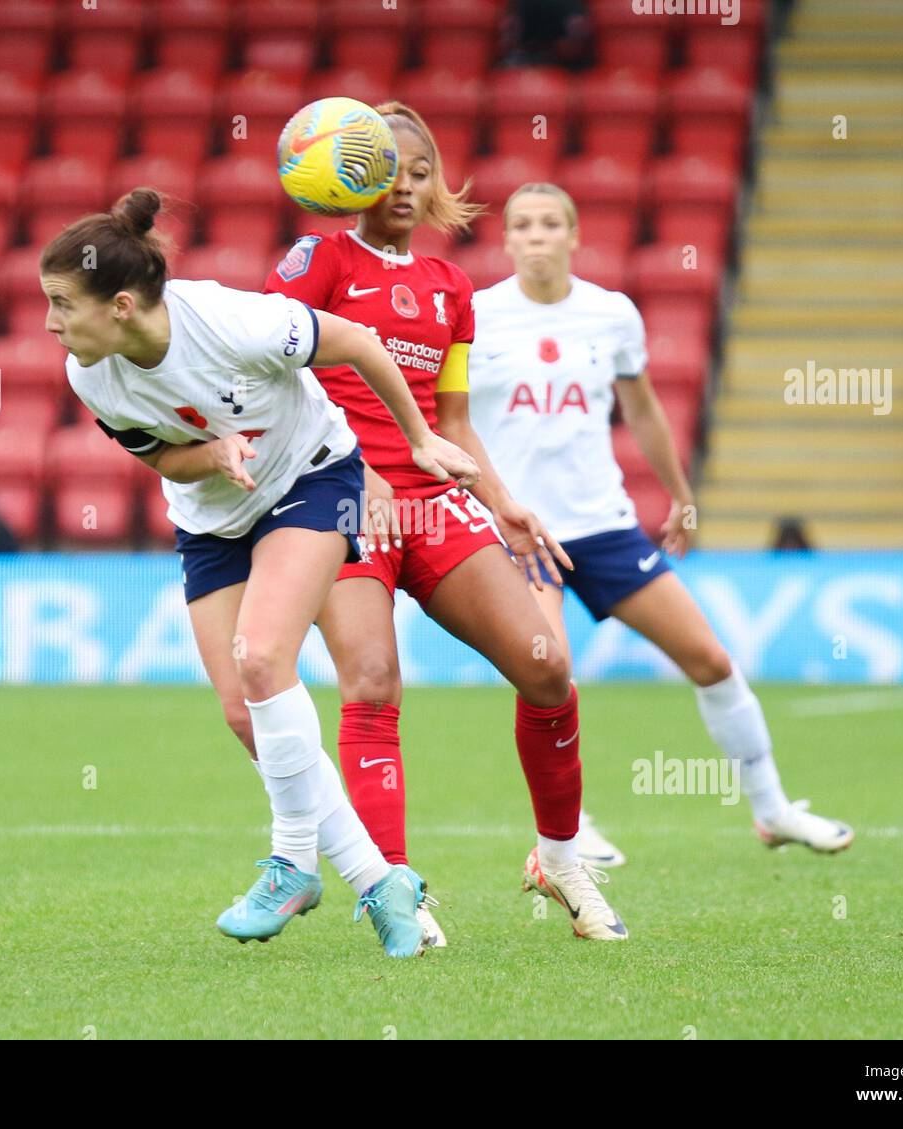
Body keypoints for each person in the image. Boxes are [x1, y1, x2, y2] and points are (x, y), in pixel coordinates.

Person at [40, 187, 480, 958]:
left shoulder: (232, 320)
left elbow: (360, 343)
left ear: (118, 304)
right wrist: (211, 455)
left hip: (315, 476)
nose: (49, 323)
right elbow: (154, 453)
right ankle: (381, 880)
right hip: (213, 516)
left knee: (263, 656)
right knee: (247, 712)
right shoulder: (91, 371)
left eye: (60, 304)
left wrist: (415, 440)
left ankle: (292, 862)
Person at [262, 103, 629, 943]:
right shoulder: (319, 260)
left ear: (436, 187)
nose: (403, 182)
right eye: (385, 166)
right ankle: (396, 889)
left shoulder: (451, 290)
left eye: (419, 170)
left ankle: (559, 857)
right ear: (350, 176)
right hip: (340, 503)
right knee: (372, 686)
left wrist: (503, 500)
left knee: (546, 667)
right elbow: (268, 372)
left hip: (433, 504)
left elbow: (452, 421)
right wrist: (353, 465)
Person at [468, 183, 854, 864]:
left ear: (574, 235)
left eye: (550, 223)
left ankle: (773, 809)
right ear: (505, 240)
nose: (535, 235)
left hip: (604, 524)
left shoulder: (611, 313)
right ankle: (569, 827)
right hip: (522, 531)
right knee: (548, 676)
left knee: (710, 660)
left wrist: (679, 494)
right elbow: (450, 416)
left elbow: (642, 410)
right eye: (522, 224)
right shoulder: (478, 315)